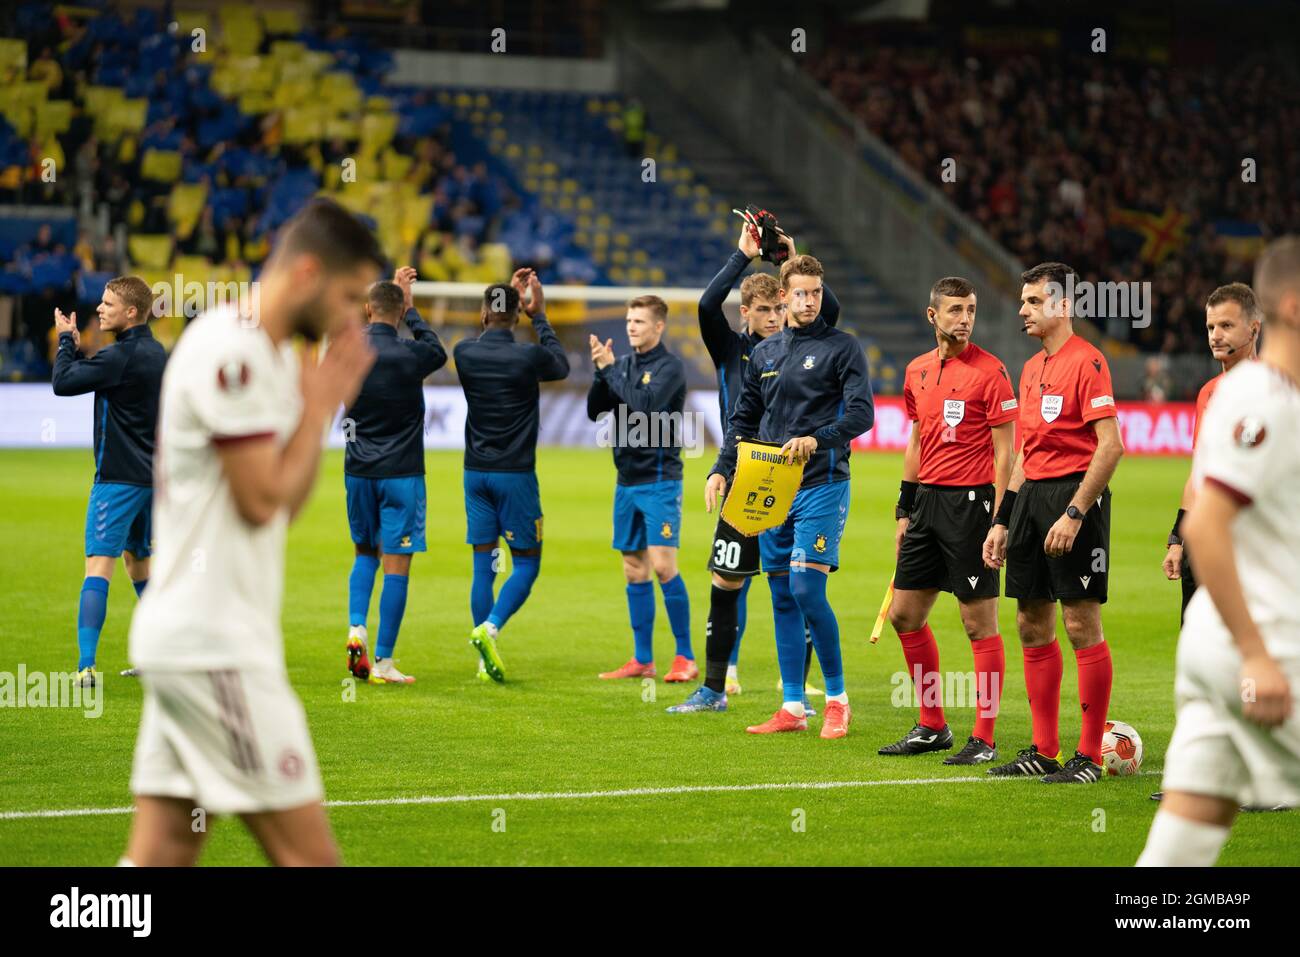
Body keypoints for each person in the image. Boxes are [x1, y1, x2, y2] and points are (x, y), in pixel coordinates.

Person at [122, 198, 382, 866]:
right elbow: (263, 498)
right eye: (350, 296)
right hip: (216, 648)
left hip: (191, 638)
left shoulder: (264, 353)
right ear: (308, 272)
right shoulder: (231, 352)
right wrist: (322, 403)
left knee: (161, 854)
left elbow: (282, 503)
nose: (356, 317)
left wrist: (312, 410)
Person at [1137, 237, 1300, 865]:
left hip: (1215, 645)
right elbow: (1207, 524)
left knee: (1190, 825)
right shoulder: (1262, 399)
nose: (1214, 335)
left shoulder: (1250, 392)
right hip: (1261, 647)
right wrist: (1257, 655)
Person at [670, 223, 840, 712]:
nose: (773, 316)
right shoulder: (732, 349)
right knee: (726, 580)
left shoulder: (805, 346)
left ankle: (799, 694)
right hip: (743, 476)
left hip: (796, 477)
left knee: (797, 583)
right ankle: (714, 688)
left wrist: (790, 257)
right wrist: (743, 256)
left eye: (778, 306)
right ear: (746, 313)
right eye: (764, 309)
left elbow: (829, 309)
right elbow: (706, 306)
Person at [708, 255, 874, 737]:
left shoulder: (843, 348)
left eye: (816, 293)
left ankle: (839, 699)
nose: (808, 301)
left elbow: (862, 414)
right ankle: (793, 707)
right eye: (800, 293)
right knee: (781, 595)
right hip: (773, 486)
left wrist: (817, 439)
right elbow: (743, 420)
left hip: (823, 482)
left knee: (805, 588)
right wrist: (722, 469)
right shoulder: (763, 355)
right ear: (784, 297)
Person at [983, 262, 1124, 783]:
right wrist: (1002, 519)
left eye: (1033, 301)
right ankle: (1044, 750)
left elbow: (1110, 447)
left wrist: (1074, 512)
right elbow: (1024, 453)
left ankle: (1087, 757)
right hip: (1031, 499)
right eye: (1022, 301)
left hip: (1073, 497)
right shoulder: (1031, 367)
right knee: (1029, 621)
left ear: (1062, 305)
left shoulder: (1088, 362)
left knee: (1080, 623)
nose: (1022, 309)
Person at [878, 277, 1016, 764]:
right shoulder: (916, 371)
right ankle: (932, 725)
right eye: (955, 309)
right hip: (926, 505)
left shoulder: (992, 372)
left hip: (973, 505)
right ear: (932, 316)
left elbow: (1007, 455)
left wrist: (1001, 517)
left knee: (978, 623)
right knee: (904, 615)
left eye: (971, 309)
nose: (965, 318)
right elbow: (916, 440)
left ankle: (984, 737)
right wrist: (904, 507)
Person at [455, 269, 570, 681]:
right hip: (515, 475)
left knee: (483, 566)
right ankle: (489, 629)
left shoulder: (464, 352)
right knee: (526, 565)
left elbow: (490, 326)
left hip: (475, 474)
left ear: (485, 314)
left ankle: (481, 662)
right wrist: (540, 315)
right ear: (518, 314)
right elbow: (561, 364)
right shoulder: (528, 357)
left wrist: (506, 307)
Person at [51, 277, 166, 685]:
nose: (100, 309)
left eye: (108, 303)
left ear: (131, 312)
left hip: (116, 479)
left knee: (98, 566)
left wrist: (67, 339)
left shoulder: (119, 357)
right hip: (153, 481)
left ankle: (85, 666)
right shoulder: (160, 354)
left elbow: (63, 383)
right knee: (138, 564)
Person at [343, 266, 447, 685]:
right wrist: (412, 310)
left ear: (367, 310)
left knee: (364, 553)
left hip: (358, 471)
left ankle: (355, 627)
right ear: (400, 311)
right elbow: (437, 350)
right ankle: (384, 661)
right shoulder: (412, 354)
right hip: (402, 472)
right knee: (397, 565)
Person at [588, 295, 695, 682]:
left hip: (660, 480)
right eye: (629, 320)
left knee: (664, 567)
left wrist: (610, 371)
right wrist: (602, 372)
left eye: (639, 320)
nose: (632, 326)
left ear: (659, 326)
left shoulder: (671, 368)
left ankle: (685, 656)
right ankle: (643, 659)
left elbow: (646, 407)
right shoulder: (624, 366)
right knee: (634, 569)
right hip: (626, 481)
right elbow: (594, 411)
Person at [1162, 283, 1261, 623]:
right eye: (1210, 327)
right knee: (1197, 644)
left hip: (1248, 544)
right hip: (1202, 539)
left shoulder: (1272, 393)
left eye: (1226, 326)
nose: (1216, 335)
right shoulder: (1208, 394)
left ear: (1254, 328)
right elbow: (1198, 473)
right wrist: (1178, 538)